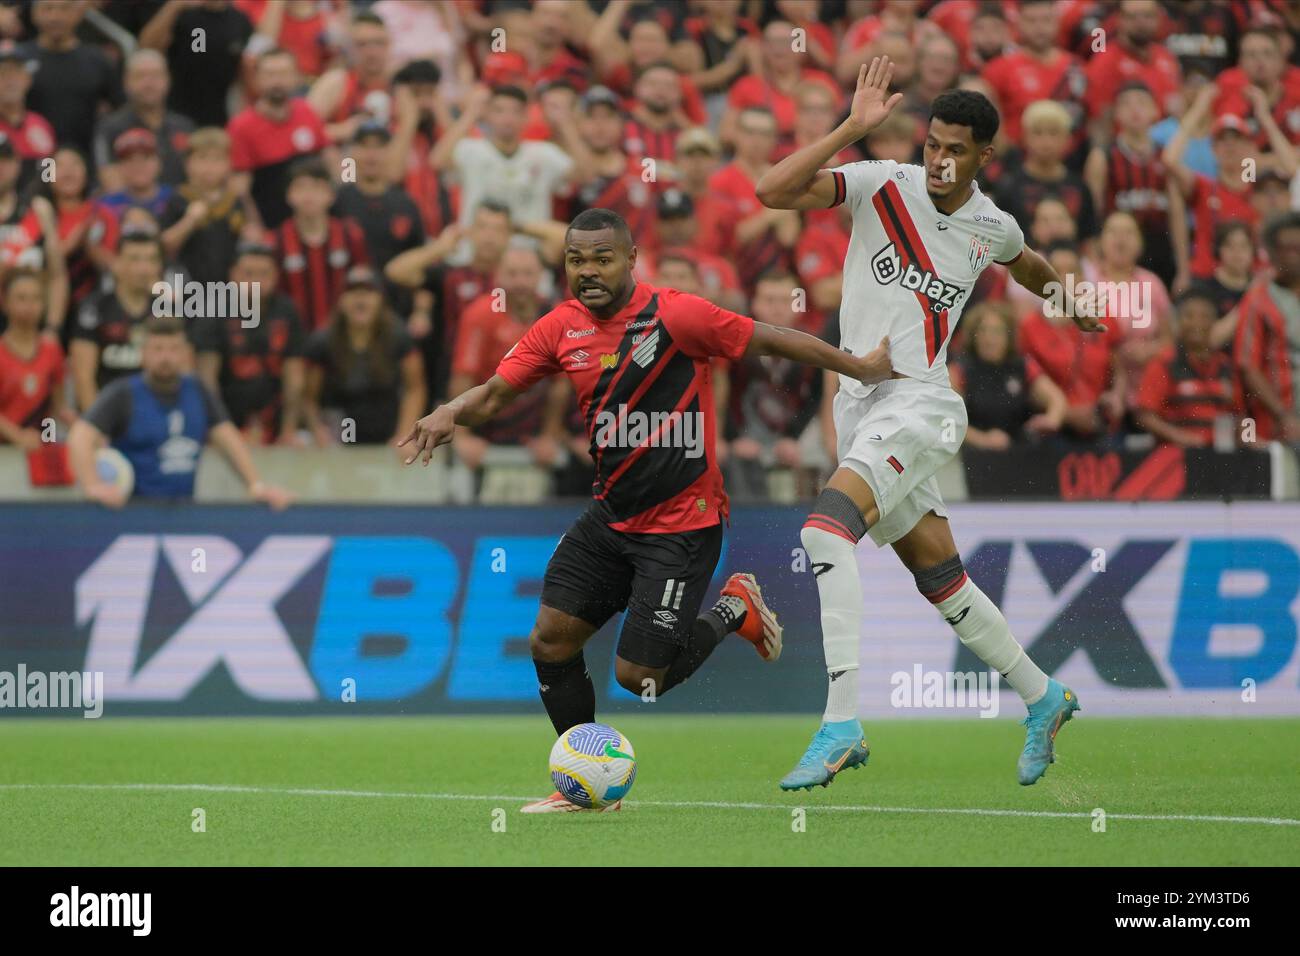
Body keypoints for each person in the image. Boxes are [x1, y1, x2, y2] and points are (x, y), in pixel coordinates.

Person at [399, 207, 893, 813]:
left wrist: (858, 366)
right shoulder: (561, 328)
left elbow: (772, 337)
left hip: (685, 524)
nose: (588, 271)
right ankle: (586, 785)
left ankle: (734, 606)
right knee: (550, 642)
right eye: (576, 260)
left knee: (640, 680)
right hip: (610, 518)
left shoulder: (677, 314)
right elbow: (498, 392)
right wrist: (450, 410)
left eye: (602, 258)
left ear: (632, 259)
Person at [755, 59, 1105, 789]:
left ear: (985, 157)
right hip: (861, 405)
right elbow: (772, 189)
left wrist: (1067, 298)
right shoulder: (881, 181)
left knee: (823, 532)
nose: (939, 160)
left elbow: (1028, 263)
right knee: (939, 577)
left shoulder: (991, 224)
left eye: (955, 149)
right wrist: (853, 128)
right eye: (932, 144)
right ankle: (1044, 696)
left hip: (921, 403)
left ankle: (841, 722)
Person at [67, 314, 291, 509]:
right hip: (132, 514)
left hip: (183, 513)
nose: (165, 358)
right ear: (143, 353)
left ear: (185, 353)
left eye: (174, 349)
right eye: (158, 349)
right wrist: (92, 485)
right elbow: (80, 437)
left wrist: (256, 485)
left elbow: (228, 438)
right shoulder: (123, 394)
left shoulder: (198, 390)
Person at [1134, 287, 1239, 448]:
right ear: (1179, 322)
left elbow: (1244, 416)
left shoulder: (1227, 366)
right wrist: (1179, 437)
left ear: (1214, 321)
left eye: (1204, 316)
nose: (1197, 322)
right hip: (1176, 459)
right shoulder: (1163, 363)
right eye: (1189, 316)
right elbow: (1145, 415)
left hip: (1220, 457)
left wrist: (1249, 440)